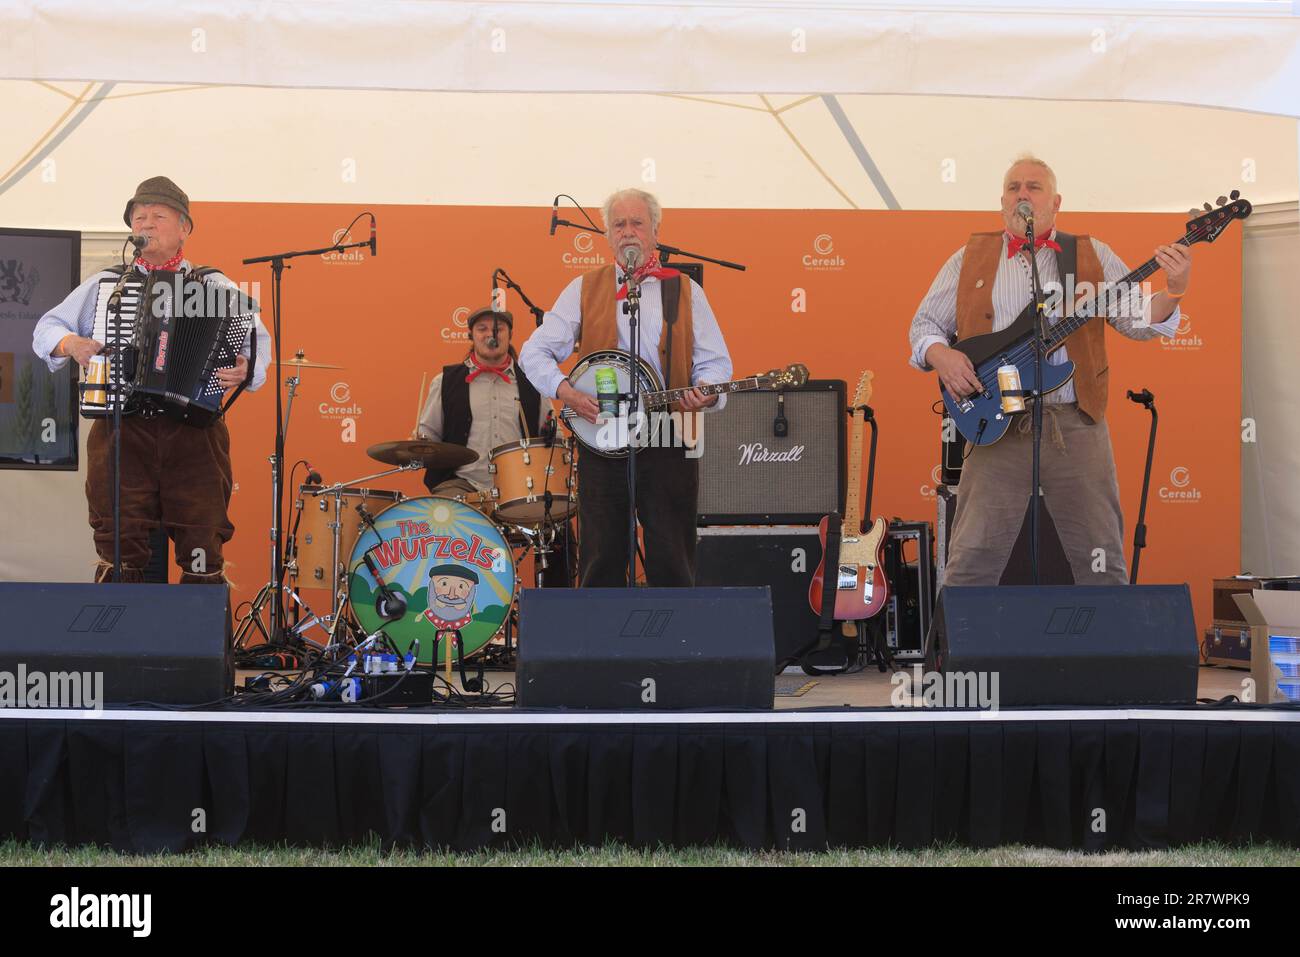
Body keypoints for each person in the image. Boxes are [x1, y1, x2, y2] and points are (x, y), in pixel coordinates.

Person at [909, 155, 1192, 586]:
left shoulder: (1093, 255)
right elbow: (924, 325)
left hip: (1074, 423)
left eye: (1034, 187)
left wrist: (1174, 289)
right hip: (996, 421)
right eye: (1013, 187)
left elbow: (1137, 319)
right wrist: (942, 356)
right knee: (973, 555)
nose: (1022, 194)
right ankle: (964, 652)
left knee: (1100, 553)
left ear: (1055, 202)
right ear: (1001, 200)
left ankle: (1103, 652)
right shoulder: (969, 257)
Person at [32, 175, 271, 584]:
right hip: (121, 426)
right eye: (138, 217)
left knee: (201, 536)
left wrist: (246, 366)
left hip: (193, 428)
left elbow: (256, 341)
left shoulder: (214, 286)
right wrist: (71, 343)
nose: (145, 224)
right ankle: (117, 638)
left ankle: (198, 638)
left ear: (184, 229)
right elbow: (46, 328)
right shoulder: (107, 284)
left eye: (158, 216)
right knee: (119, 538)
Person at [519, 187, 733, 587]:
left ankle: (675, 644)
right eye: (619, 224)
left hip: (669, 435)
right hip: (603, 436)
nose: (628, 232)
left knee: (673, 555)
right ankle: (602, 645)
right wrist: (566, 392)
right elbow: (534, 353)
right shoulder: (584, 288)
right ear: (608, 236)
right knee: (602, 556)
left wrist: (707, 391)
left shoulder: (684, 290)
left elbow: (716, 363)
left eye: (637, 223)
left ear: (655, 230)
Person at [418, 306, 572, 585]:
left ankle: (555, 614)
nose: (491, 335)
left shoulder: (532, 382)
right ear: (471, 336)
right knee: (445, 517)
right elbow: (428, 440)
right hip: (463, 485)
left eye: (498, 329)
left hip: (519, 490)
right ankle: (452, 605)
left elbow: (555, 439)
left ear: (510, 335)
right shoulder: (446, 381)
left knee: (559, 525)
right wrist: (421, 445)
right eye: (483, 329)